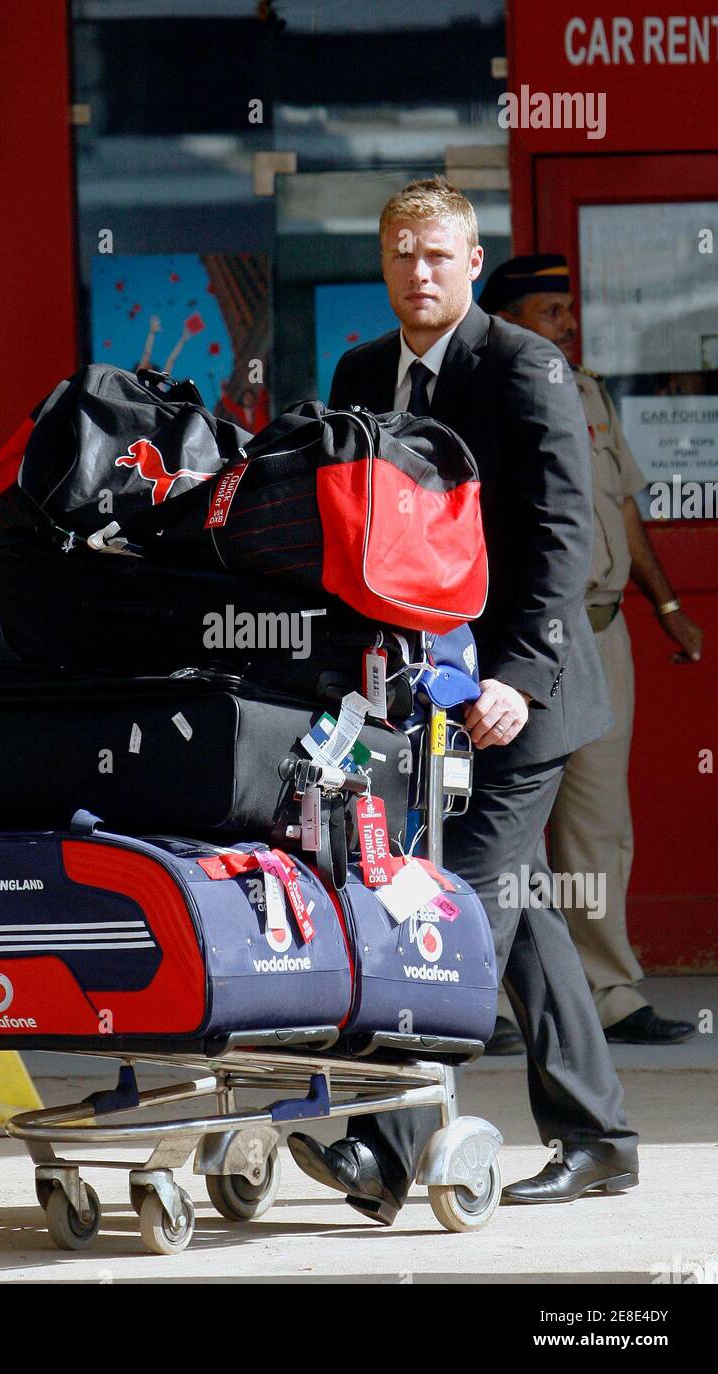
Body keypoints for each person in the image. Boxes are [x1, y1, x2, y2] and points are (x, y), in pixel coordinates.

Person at [287, 177, 640, 1220]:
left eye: (437, 254)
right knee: (522, 921)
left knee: (444, 909)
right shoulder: (360, 371)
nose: (418, 270)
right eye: (400, 252)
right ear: (382, 262)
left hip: (522, 701)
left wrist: (518, 680)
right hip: (418, 703)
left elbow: (561, 540)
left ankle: (383, 1152)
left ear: (471, 262)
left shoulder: (524, 366)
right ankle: (598, 1135)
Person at [478, 255, 701, 1052]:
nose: (565, 323)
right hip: (511, 646)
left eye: (567, 308)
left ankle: (609, 993)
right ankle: (490, 1003)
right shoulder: (483, 390)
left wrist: (666, 605)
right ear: (504, 318)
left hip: (599, 634)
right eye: (548, 310)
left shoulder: (589, 391)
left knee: (599, 827)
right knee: (494, 828)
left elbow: (621, 512)